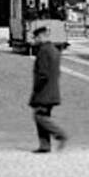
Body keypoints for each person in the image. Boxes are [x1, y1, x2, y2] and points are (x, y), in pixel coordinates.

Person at [29, 25, 68, 153]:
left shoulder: (43, 51)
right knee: (43, 115)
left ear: (41, 37)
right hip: (52, 89)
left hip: (44, 90)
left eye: (35, 37)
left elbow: (42, 74)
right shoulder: (54, 50)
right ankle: (44, 145)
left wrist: (36, 90)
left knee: (39, 116)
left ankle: (59, 134)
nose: (34, 40)